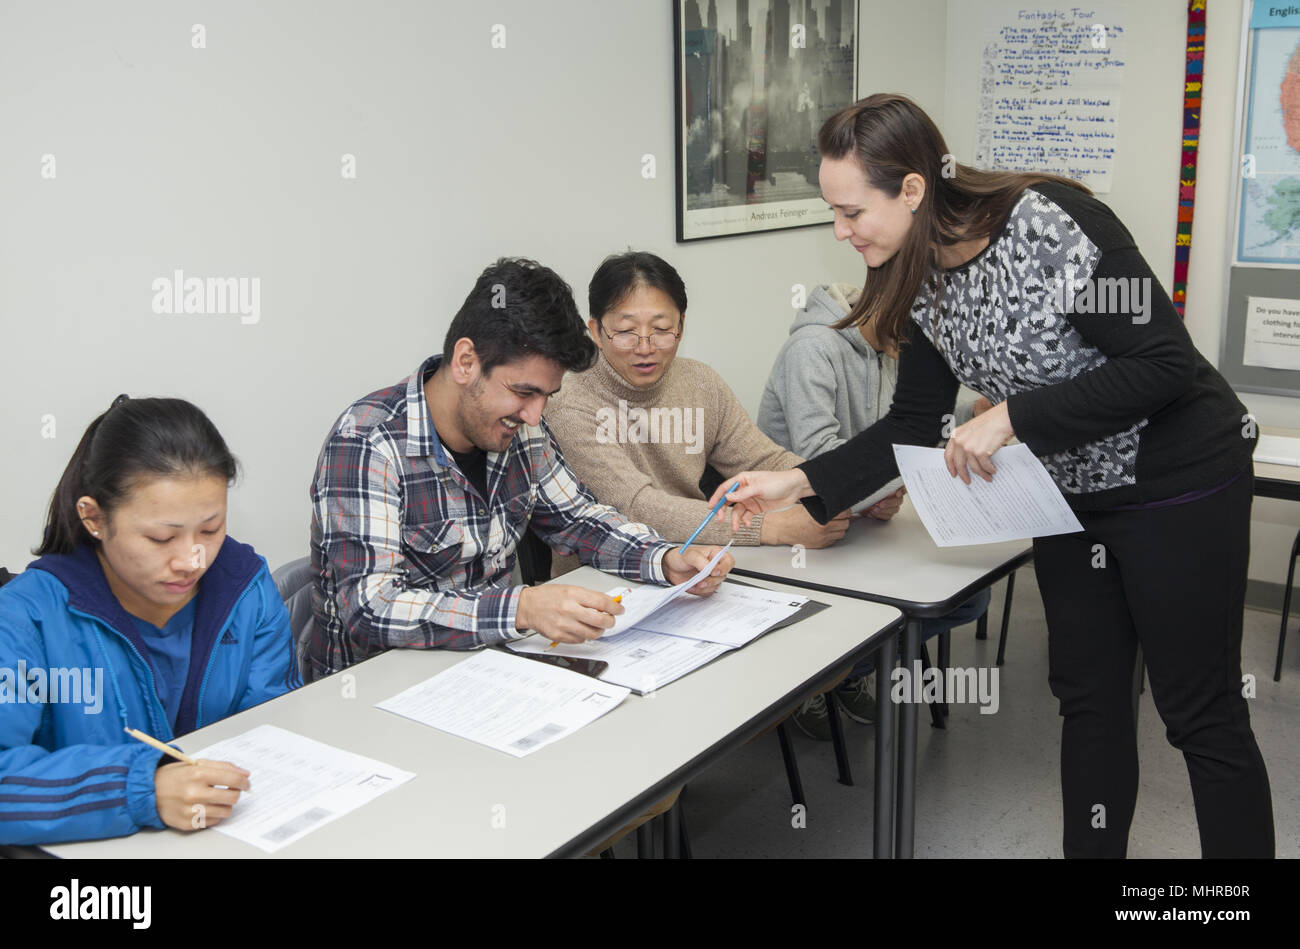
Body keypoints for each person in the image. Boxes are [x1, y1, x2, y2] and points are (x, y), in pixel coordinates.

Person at [708, 93, 1273, 858]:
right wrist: (797, 482)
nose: (840, 231)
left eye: (850, 211)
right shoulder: (918, 275)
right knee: (1089, 701)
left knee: (1197, 711)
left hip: (1179, 479)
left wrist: (1013, 417)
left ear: (912, 189)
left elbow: (1164, 362)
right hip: (1072, 496)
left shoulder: (1050, 225)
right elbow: (910, 427)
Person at [307, 257, 733, 683]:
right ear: (466, 362)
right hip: (376, 693)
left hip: (488, 671)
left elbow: (579, 520)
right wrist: (523, 608)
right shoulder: (368, 442)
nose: (534, 416)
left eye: (547, 395)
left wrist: (663, 559)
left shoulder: (521, 429)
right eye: (523, 392)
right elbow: (371, 607)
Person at [0, 396, 299, 845]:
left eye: (211, 529)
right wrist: (140, 788)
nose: (192, 559)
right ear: (94, 518)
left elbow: (277, 723)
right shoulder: (27, 617)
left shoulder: (245, 588)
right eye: (162, 537)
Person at [756, 282, 990, 729]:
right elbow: (817, 457)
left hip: (860, 517)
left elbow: (905, 422)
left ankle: (845, 670)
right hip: (803, 524)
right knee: (917, 600)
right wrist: (884, 488)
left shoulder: (888, 343)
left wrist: (969, 412)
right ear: (880, 308)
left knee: (968, 600)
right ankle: (816, 679)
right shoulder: (812, 348)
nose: (915, 352)